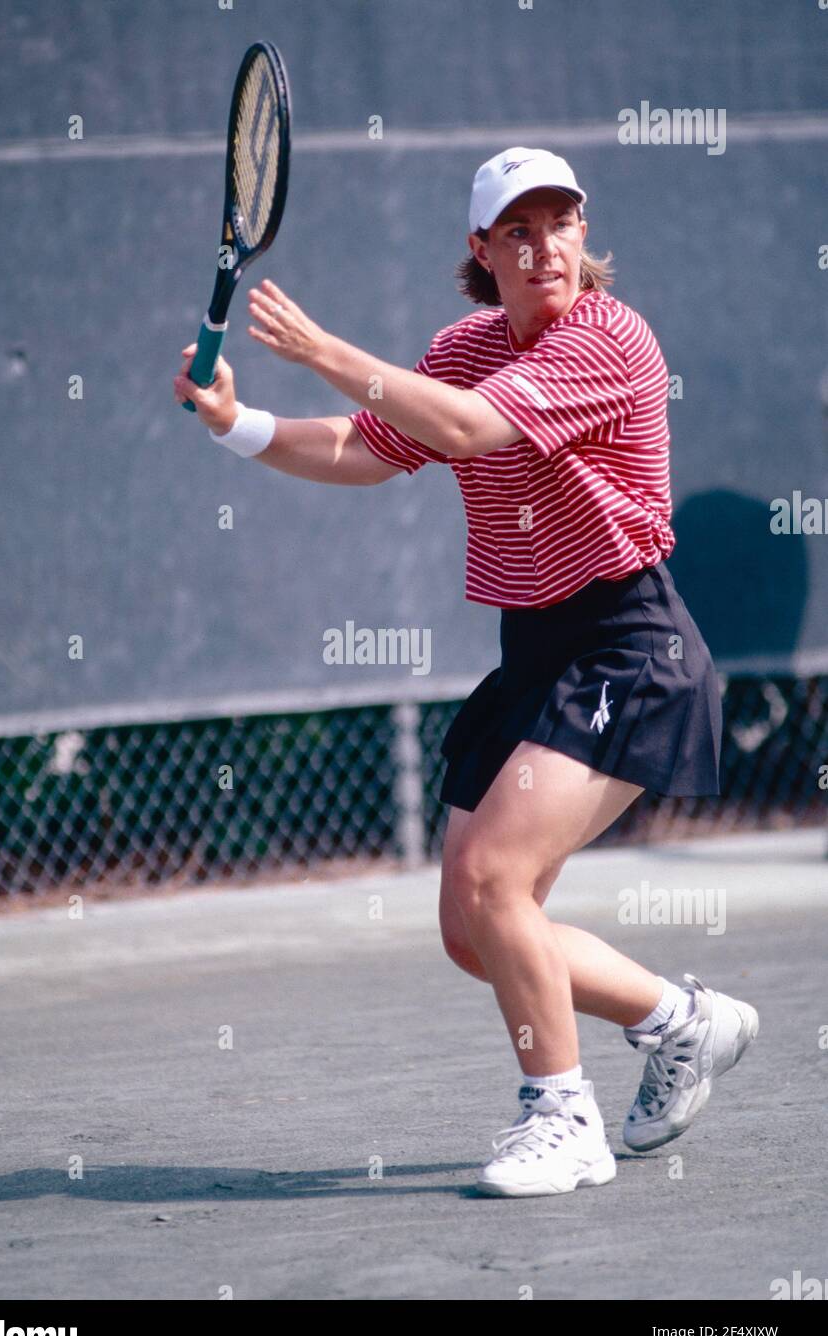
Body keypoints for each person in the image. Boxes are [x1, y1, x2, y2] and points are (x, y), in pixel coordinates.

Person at [173, 146, 758, 1199]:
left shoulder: (609, 338)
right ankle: (683, 1021)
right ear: (480, 253)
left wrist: (320, 349)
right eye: (518, 232)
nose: (546, 249)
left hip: (628, 646)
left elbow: (465, 425)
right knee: (472, 927)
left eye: (561, 224)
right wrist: (236, 425)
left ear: (585, 235)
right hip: (532, 654)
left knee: (494, 881)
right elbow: (369, 445)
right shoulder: (465, 344)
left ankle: (561, 1120)